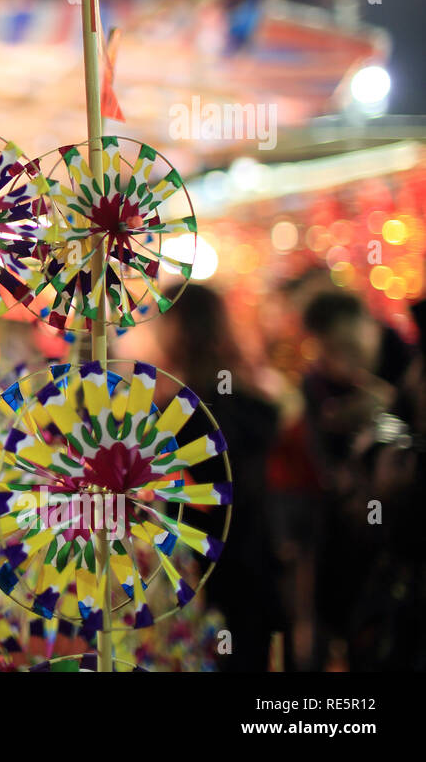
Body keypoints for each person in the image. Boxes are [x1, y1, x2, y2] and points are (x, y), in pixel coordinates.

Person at [157, 283, 281, 671]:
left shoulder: (179, 412)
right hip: (256, 566)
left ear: (183, 328)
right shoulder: (255, 402)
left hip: (202, 570)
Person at [301, 290, 424, 670]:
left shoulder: (407, 362)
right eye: (331, 351)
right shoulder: (318, 385)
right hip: (354, 546)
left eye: (350, 346)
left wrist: (386, 412)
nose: (343, 361)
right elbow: (326, 470)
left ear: (371, 327)